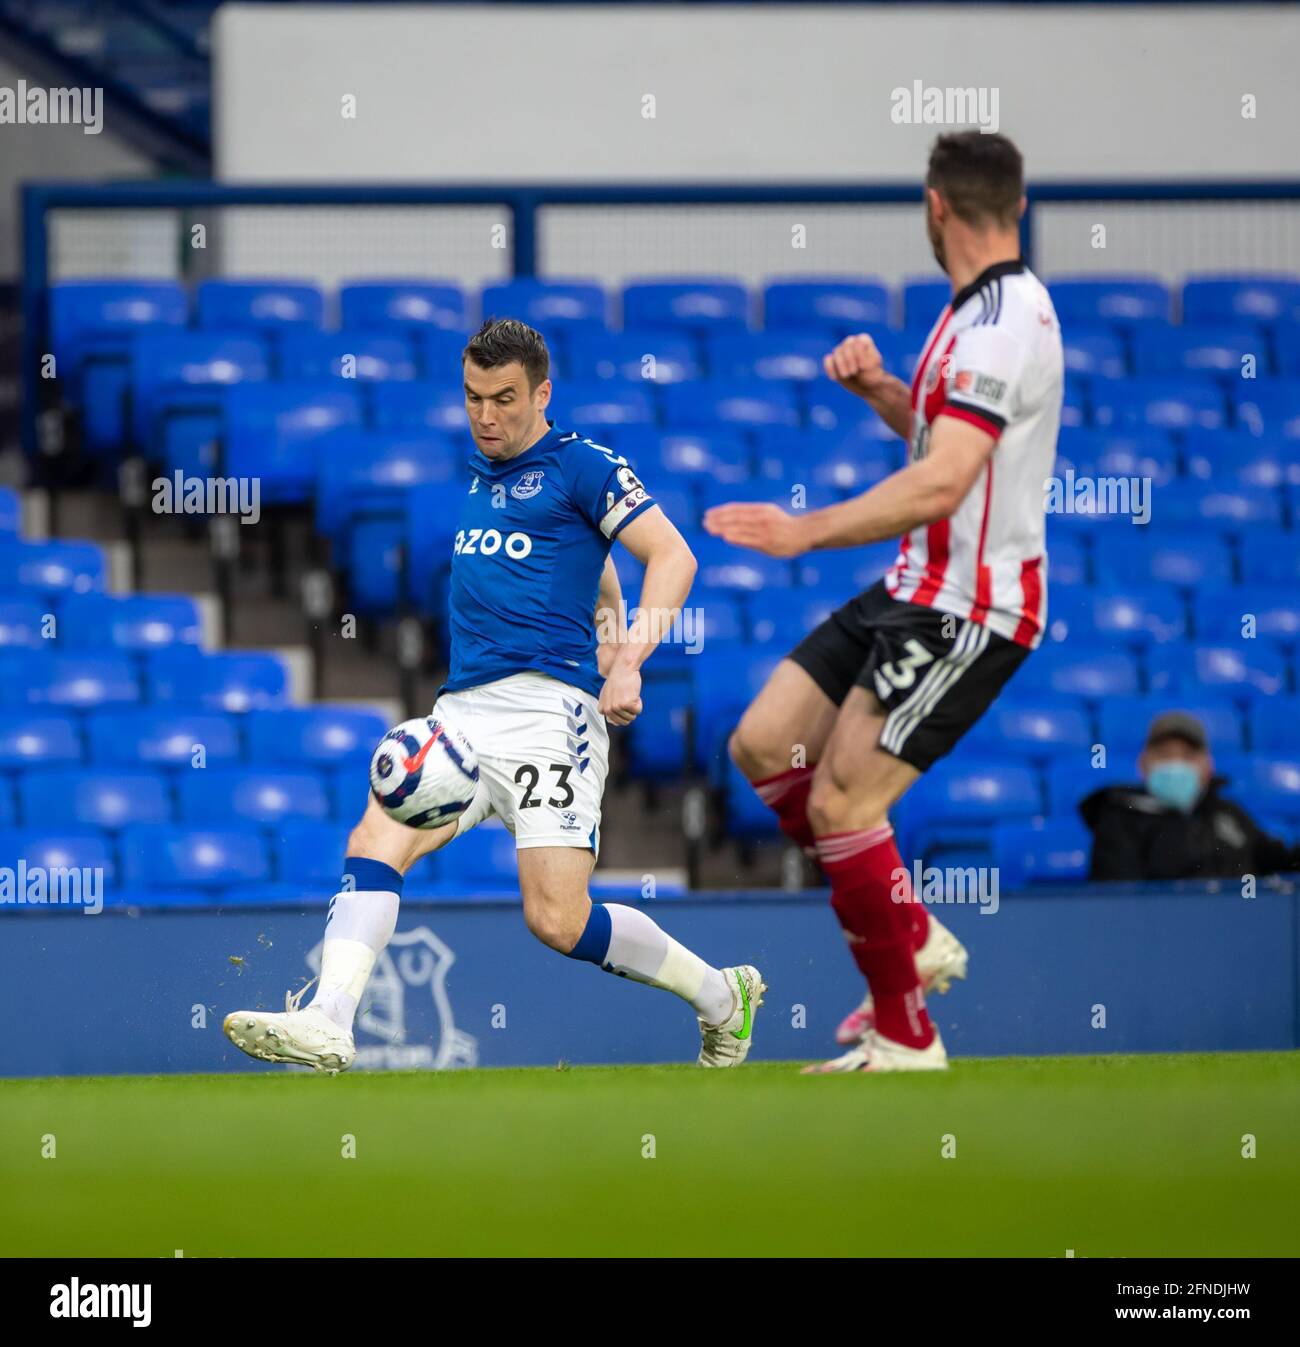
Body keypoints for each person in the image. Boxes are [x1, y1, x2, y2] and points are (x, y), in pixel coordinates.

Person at [225, 318, 764, 1073]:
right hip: (463, 715)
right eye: (474, 397)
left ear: (542, 392)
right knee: (374, 838)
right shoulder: (484, 471)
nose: (486, 415)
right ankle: (329, 1019)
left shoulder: (585, 465)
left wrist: (629, 658)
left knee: (557, 918)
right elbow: (588, 563)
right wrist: (607, 619)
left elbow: (673, 555)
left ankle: (719, 996)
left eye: (505, 398)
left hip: (553, 719)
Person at [704, 130, 1062, 1073]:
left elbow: (944, 485)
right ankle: (913, 932)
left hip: (966, 605)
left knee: (842, 802)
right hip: (912, 585)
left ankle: (907, 1033)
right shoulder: (973, 312)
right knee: (761, 738)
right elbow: (943, 446)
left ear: (935, 206)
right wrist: (882, 395)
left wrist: (803, 529)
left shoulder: (1001, 323)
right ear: (1015, 206)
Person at [1081, 710, 1300, 881]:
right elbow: (1118, 903)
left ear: (1208, 765)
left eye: (1187, 755)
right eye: (1164, 755)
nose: (1176, 765)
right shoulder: (1120, 819)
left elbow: (1281, 863)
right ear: (1143, 764)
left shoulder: (1229, 814)